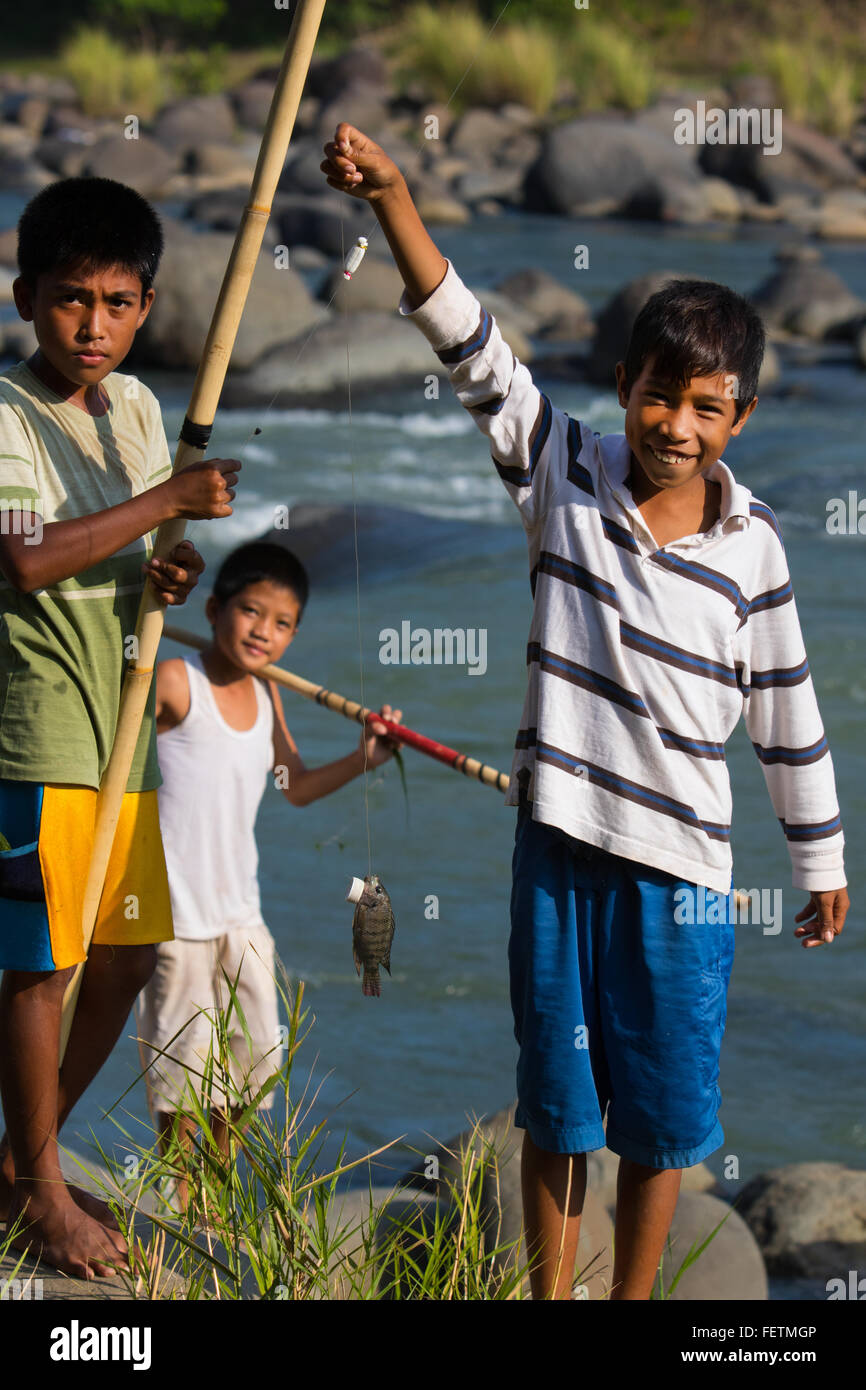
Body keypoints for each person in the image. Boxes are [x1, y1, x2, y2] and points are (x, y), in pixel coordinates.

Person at [319, 123, 850, 1300]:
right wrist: (398, 195)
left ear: (739, 418)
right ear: (623, 390)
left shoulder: (751, 545)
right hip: (557, 852)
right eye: (660, 397)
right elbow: (471, 345)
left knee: (664, 1116)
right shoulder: (563, 475)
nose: (677, 425)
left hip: (681, 875)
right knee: (556, 1102)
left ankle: (631, 1298)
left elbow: (787, 706)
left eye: (707, 408)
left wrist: (818, 856)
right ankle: (549, 1294)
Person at [0, 176, 244, 1279]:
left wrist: (170, 563)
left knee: (129, 950)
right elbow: (30, 555)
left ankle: (20, 1162)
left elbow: (139, 555)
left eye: (114, 301)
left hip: (126, 720)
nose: (91, 326)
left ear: (146, 305)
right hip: (43, 725)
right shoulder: (6, 415)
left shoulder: (140, 410)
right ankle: (44, 1193)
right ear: (24, 299)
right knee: (37, 968)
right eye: (67, 301)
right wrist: (167, 506)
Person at [137, 539, 402, 1209]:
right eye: (250, 612)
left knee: (258, 1062)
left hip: (240, 914)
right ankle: (180, 1193)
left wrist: (365, 758)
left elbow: (295, 785)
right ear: (216, 607)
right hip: (174, 913)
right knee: (182, 1068)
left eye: (282, 623)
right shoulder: (176, 682)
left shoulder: (266, 697)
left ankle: (213, 1185)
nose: (264, 631)